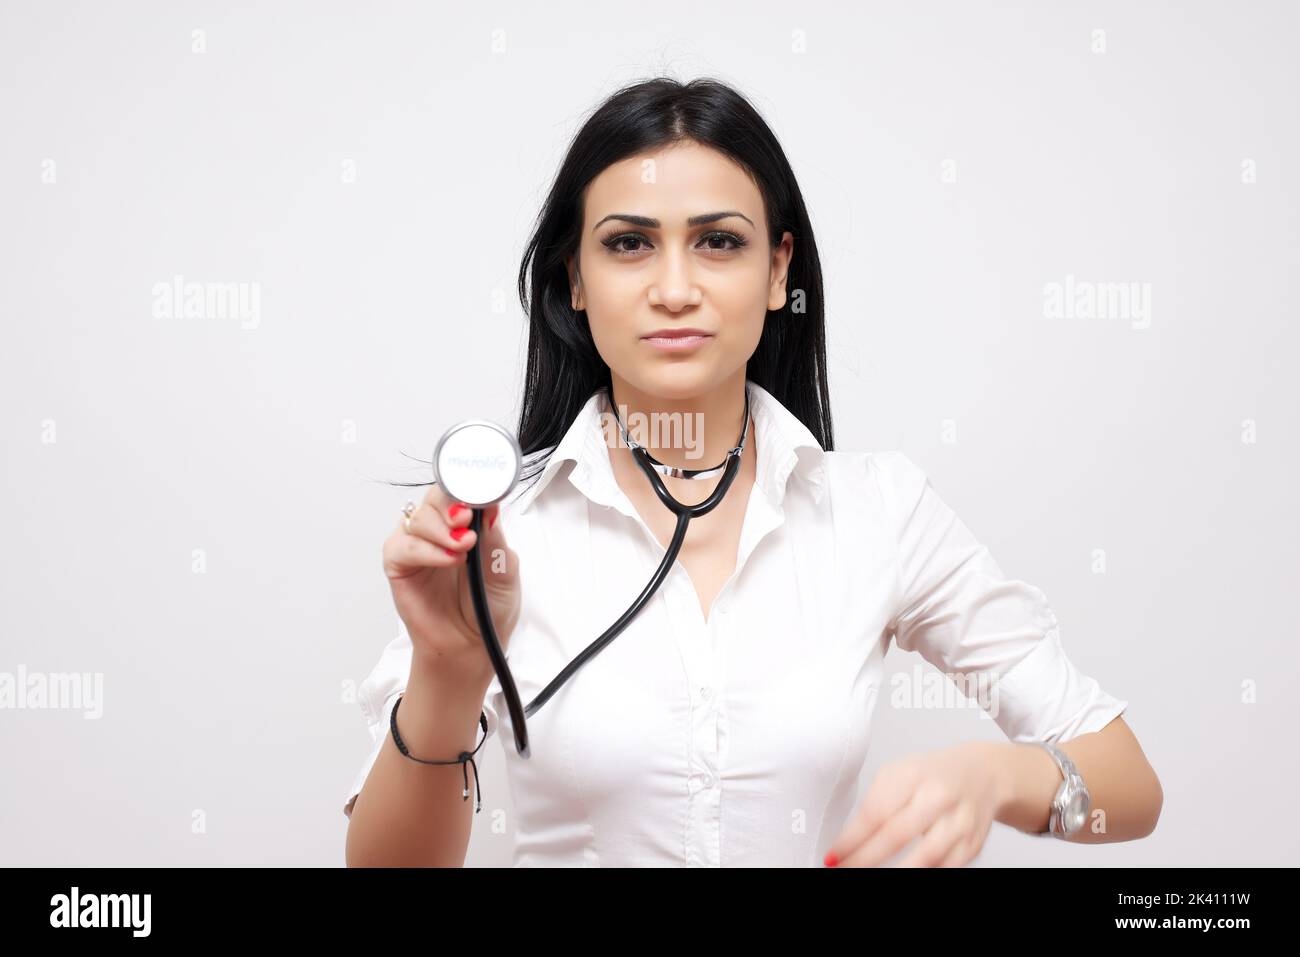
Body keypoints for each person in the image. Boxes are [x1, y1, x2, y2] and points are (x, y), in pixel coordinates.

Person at [343, 76, 1162, 868]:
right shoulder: (495, 533)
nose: (674, 288)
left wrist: (1000, 778)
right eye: (629, 244)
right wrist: (447, 676)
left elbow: (1129, 786)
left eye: (718, 242)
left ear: (777, 272)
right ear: (575, 281)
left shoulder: (878, 511)